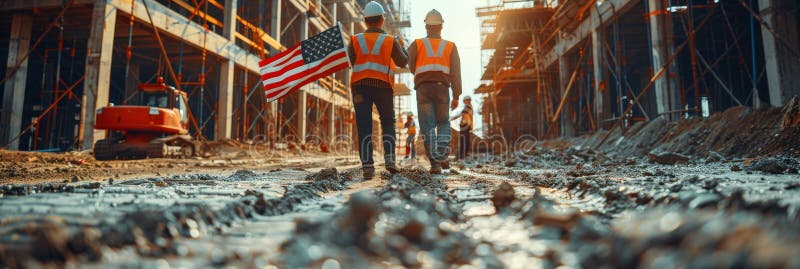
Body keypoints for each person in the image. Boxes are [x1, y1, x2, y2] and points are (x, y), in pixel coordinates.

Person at [348, 1, 408, 179]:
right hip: (382, 86)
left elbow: (351, 61)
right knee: (388, 122)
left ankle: (367, 166)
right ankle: (390, 161)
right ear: (382, 20)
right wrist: (401, 46)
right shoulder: (390, 40)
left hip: (360, 87)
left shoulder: (355, 39)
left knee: (364, 126)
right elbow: (403, 61)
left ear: (365, 21)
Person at [407, 9, 462, 174]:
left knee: (428, 126)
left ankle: (435, 164)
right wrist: (457, 94)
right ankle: (442, 155)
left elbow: (410, 65)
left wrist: (421, 75)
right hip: (443, 88)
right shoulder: (450, 46)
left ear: (426, 26)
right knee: (443, 122)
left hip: (423, 88)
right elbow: (456, 72)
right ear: (441, 26)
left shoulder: (417, 44)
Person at [450, 95, 473, 160]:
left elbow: (462, 114)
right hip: (467, 125)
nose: (465, 101)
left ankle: (461, 155)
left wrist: (453, 117)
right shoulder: (469, 107)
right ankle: (464, 154)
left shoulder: (467, 106)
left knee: (463, 140)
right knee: (465, 140)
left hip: (465, 125)